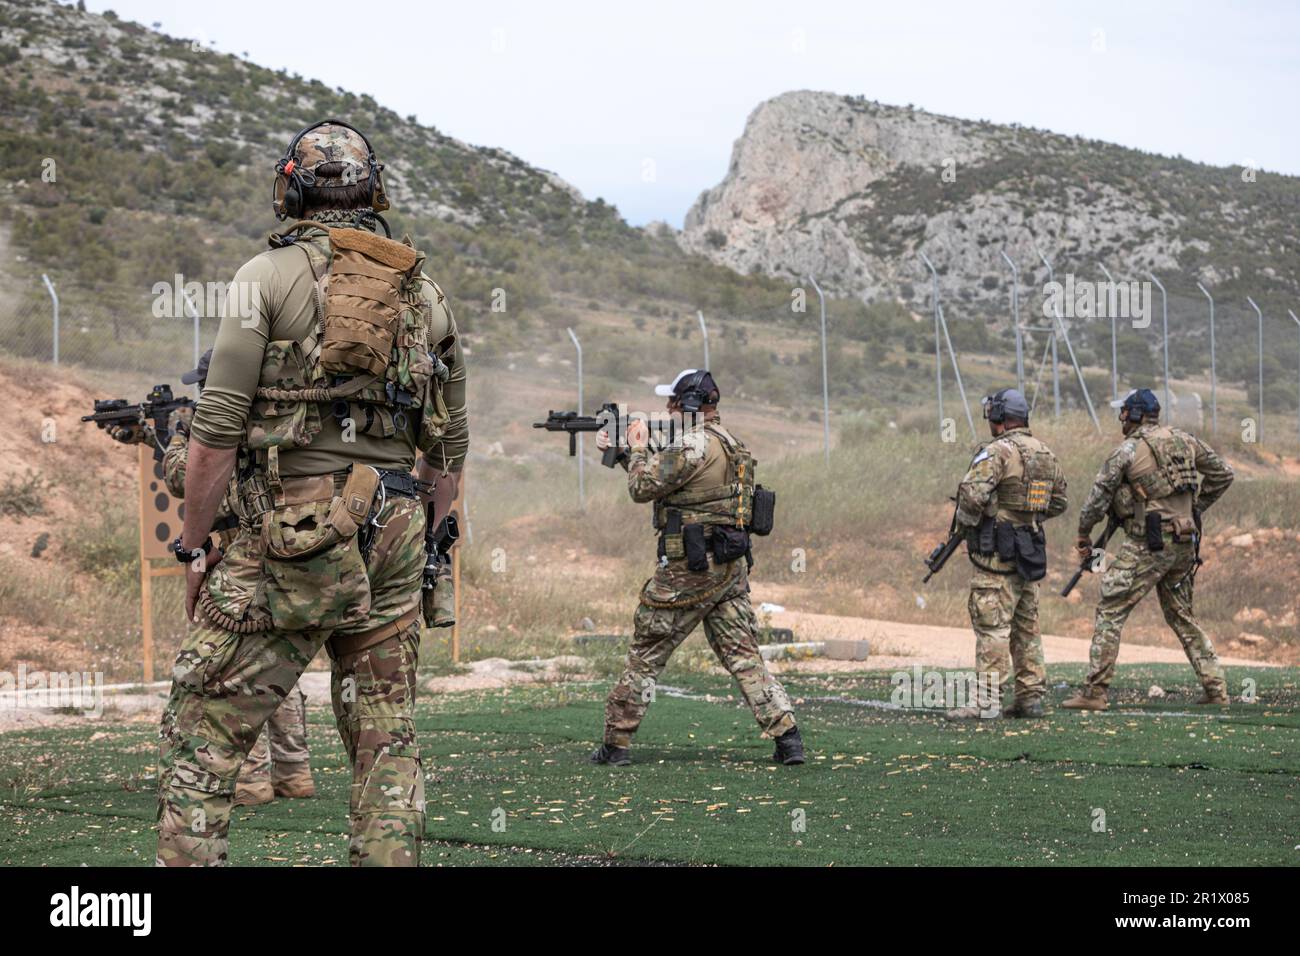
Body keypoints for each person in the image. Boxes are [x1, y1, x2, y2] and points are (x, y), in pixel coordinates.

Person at [155, 120, 468, 867]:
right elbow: (448, 454)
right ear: (374, 189)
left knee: (204, 735)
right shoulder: (427, 294)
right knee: (385, 746)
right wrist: (420, 542)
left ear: (291, 187)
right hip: (395, 523)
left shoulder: (263, 279)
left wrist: (195, 546)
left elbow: (216, 436)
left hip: (290, 533)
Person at [589, 369, 804, 767]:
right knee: (745, 657)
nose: (667, 409)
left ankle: (615, 744)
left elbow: (642, 488)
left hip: (688, 570)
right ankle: (788, 738)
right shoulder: (729, 442)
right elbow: (671, 486)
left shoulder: (689, 446)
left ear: (687, 405)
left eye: (672, 403)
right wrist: (623, 454)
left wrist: (634, 448)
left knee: (646, 653)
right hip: (728, 568)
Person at [1063, 389, 1232, 711]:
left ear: (1135, 415)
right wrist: (1194, 510)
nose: (1121, 419)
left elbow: (1097, 500)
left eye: (1123, 413)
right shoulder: (1186, 440)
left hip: (1148, 544)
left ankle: (1095, 693)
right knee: (1181, 615)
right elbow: (1224, 475)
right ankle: (1216, 689)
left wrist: (1083, 533)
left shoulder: (1126, 451)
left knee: (1111, 610)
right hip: (1185, 543)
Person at [944, 388, 1068, 720]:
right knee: (1026, 627)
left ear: (999, 418)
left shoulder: (997, 451)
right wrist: (1027, 518)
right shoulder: (1044, 453)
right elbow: (1059, 502)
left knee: (993, 626)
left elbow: (971, 495)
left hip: (995, 555)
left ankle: (986, 701)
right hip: (1029, 552)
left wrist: (974, 524)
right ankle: (1030, 697)